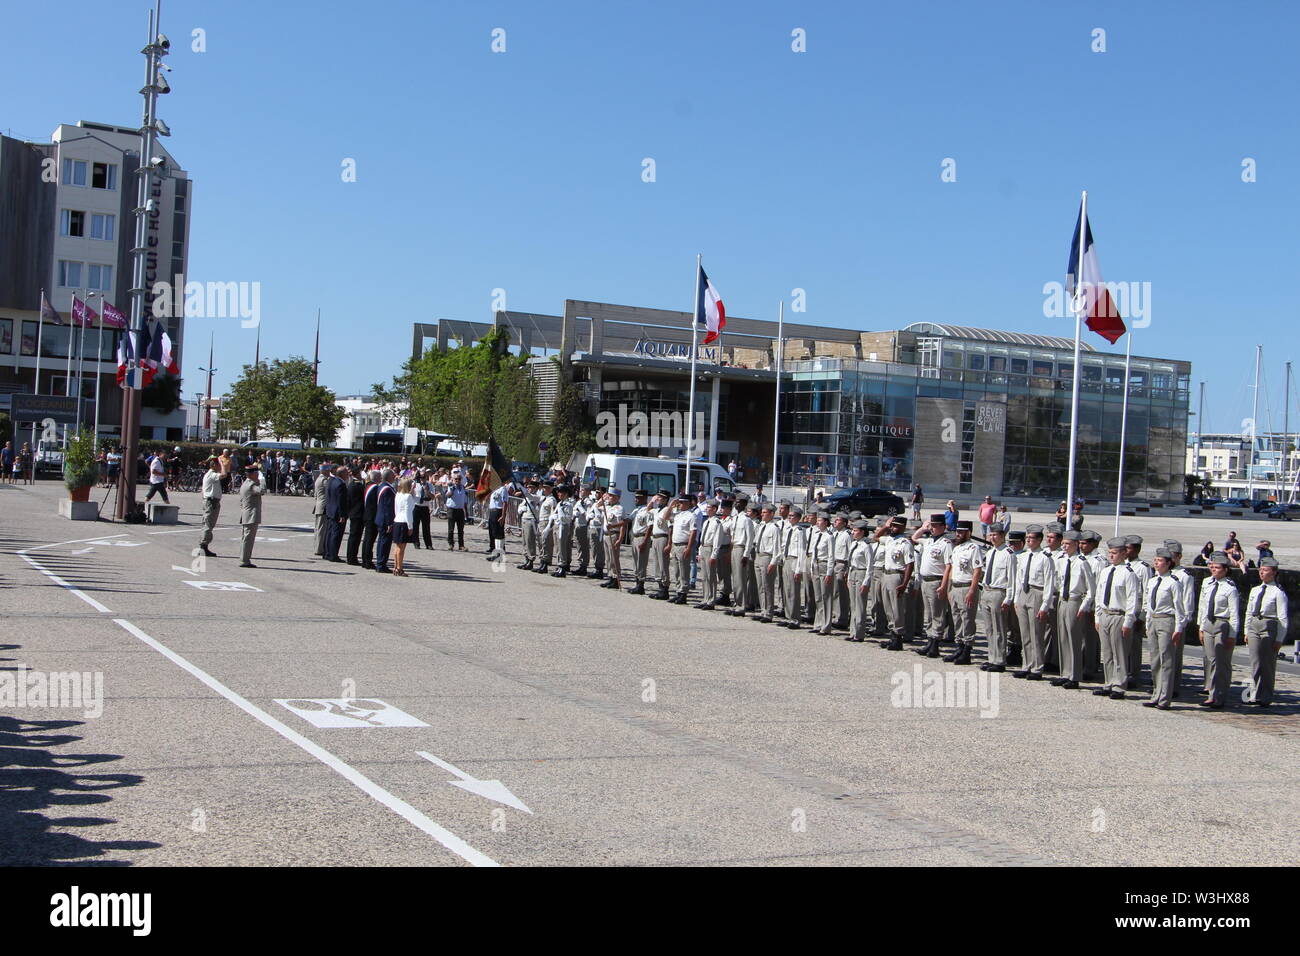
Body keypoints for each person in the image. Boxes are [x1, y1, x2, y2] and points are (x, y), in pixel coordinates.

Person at [1092, 537, 1139, 699]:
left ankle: (1119, 685)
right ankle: (1109, 682)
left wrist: (1128, 620)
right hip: (1105, 614)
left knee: (1119, 652)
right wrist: (1097, 617)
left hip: (1119, 615)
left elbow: (1132, 599)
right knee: (1107, 652)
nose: (1111, 556)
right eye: (1110, 553)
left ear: (1123, 554)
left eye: (1114, 553)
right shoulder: (1106, 571)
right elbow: (1099, 595)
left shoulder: (1128, 573)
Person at [1142, 548, 1187, 711]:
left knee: (1166, 660)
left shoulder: (1173, 582)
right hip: (1154, 619)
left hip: (1167, 620)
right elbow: (1147, 604)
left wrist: (1179, 628)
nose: (1156, 563)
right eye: (1155, 560)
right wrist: (1147, 624)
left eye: (1160, 561)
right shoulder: (1153, 581)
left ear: (1169, 564)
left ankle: (1165, 697)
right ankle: (1156, 693)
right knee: (1155, 659)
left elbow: (1179, 607)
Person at [1011, 524, 1057, 681]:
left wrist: (1045, 605)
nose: (1029, 540)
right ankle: (1027, 664)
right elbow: (1018, 579)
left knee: (1036, 633)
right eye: (1027, 538)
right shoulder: (1023, 557)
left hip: (1037, 592)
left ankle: (1037, 668)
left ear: (1039, 540)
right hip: (1024, 592)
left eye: (1032, 538)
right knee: (1025, 633)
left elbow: (1049, 583)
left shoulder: (1045, 558)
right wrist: (1017, 598)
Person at [1197, 552, 1240, 709]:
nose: (1213, 570)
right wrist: (1201, 627)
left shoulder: (1229, 588)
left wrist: (1233, 635)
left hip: (1222, 624)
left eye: (1217, 567)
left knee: (1220, 662)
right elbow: (1202, 607)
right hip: (1208, 623)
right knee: (1210, 660)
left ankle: (1218, 695)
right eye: (1212, 567)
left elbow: (1234, 613)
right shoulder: (1207, 584)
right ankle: (1212, 692)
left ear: (1225, 569)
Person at [1244, 557, 1287, 706]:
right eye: (1260, 570)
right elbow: (1249, 612)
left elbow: (1282, 618)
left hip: (1269, 625)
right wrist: (1246, 630)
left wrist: (1279, 639)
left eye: (1265, 570)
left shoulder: (1278, 592)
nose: (1262, 572)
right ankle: (1253, 694)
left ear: (1274, 572)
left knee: (1267, 664)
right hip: (1255, 625)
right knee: (1255, 661)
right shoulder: (1255, 590)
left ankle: (1266, 695)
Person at [238, 460, 265, 568]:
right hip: (251, 515)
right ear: (253, 474)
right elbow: (261, 491)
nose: (258, 474)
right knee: (248, 539)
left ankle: (243, 558)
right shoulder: (252, 485)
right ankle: (244, 560)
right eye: (257, 473)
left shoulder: (245, 483)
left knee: (245, 538)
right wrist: (262, 481)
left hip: (246, 513)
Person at [199, 455, 223, 557]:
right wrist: (222, 463)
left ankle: (204, 546)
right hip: (211, 502)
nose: (219, 467)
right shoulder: (212, 474)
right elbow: (224, 475)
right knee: (208, 525)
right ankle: (203, 547)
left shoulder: (210, 474)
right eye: (218, 465)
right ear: (214, 465)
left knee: (208, 524)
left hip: (211, 501)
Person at [323, 465, 349, 562]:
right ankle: (333, 555)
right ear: (342, 474)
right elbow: (341, 501)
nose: (348, 474)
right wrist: (342, 515)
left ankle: (327, 552)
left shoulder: (331, 481)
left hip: (330, 511)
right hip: (337, 513)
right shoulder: (341, 484)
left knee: (329, 533)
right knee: (336, 535)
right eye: (346, 473)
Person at [373, 468, 396, 573]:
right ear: (389, 477)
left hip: (381, 518)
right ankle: (381, 564)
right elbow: (388, 507)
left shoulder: (383, 486)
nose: (395, 477)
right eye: (393, 475)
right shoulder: (387, 489)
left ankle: (380, 562)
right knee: (384, 543)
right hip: (385, 520)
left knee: (382, 542)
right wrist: (389, 523)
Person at [390, 476, 414, 576]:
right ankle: (399, 568)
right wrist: (410, 526)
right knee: (401, 548)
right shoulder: (408, 496)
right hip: (404, 522)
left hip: (397, 520)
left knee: (397, 547)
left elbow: (396, 509)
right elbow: (408, 512)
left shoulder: (398, 495)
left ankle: (396, 566)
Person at [345, 466, 366, 565]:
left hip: (353, 513)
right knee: (355, 537)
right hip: (358, 514)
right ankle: (352, 558)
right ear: (357, 474)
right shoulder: (357, 485)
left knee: (354, 536)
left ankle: (351, 557)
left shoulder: (352, 484)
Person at [446, 473, 468, 551]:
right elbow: (448, 495)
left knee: (461, 529)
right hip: (452, 509)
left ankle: (461, 545)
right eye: (456, 479)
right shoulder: (451, 486)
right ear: (453, 480)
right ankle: (451, 544)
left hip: (460, 510)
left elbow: (464, 499)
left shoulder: (463, 487)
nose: (457, 480)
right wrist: (452, 490)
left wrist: (466, 511)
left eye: (459, 479)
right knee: (451, 528)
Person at [313, 464, 331, 557]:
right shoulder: (324, 480)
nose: (329, 472)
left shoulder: (318, 479)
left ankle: (318, 547)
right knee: (321, 529)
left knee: (318, 528)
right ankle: (319, 549)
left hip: (319, 505)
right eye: (328, 470)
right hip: (323, 506)